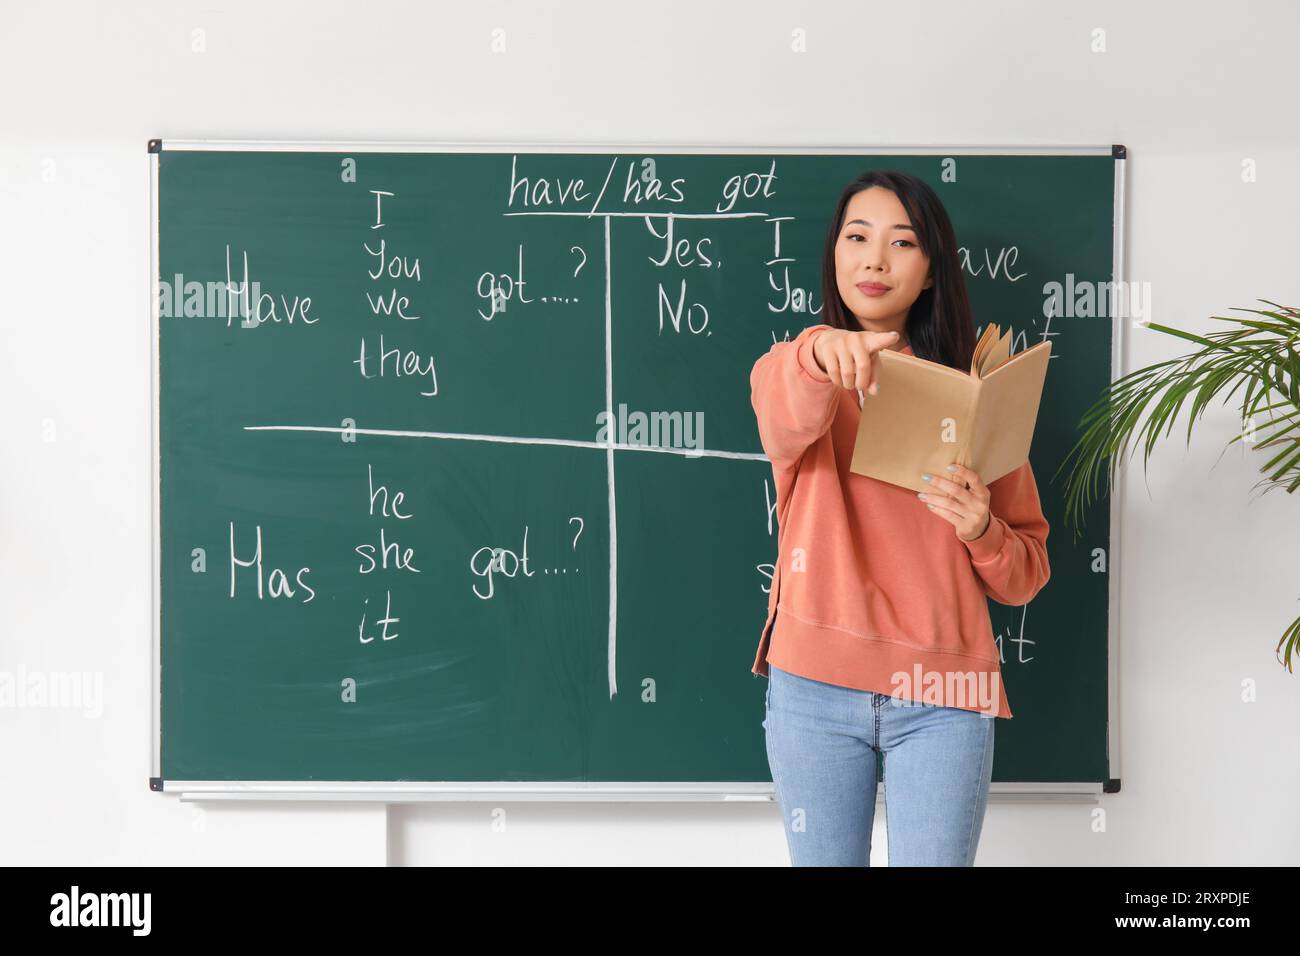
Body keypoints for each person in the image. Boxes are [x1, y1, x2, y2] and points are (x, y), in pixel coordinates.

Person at [750, 169, 1051, 866]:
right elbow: (787, 392)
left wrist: (982, 530)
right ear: (834, 255)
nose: (874, 259)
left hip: (946, 693)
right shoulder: (793, 373)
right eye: (856, 237)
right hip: (814, 689)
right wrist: (827, 349)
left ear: (931, 272)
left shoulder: (977, 400)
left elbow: (1025, 576)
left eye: (901, 242)